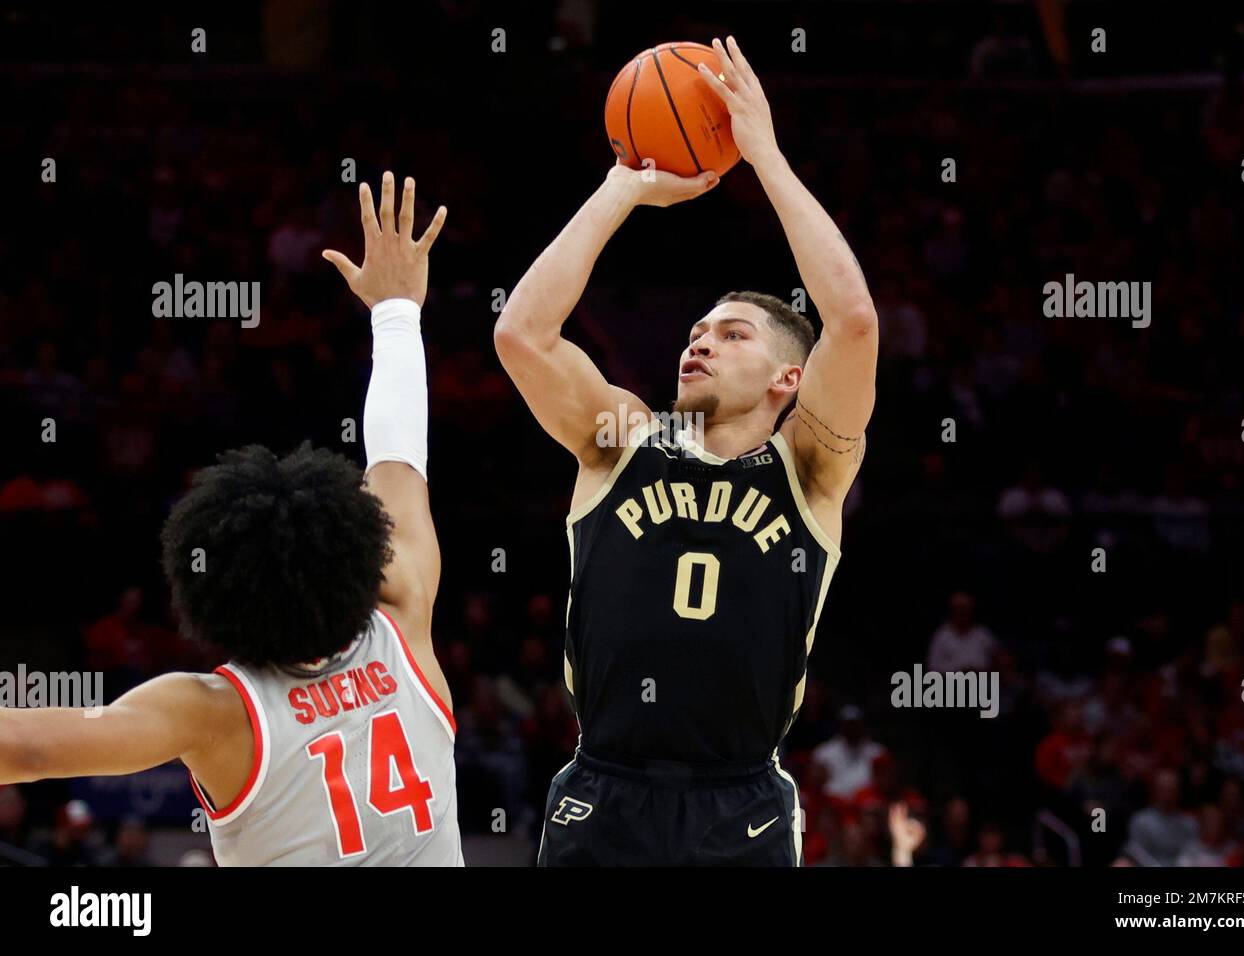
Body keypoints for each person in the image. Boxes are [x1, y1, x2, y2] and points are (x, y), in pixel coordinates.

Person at [0, 172, 462, 866]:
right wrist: (396, 311)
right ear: (359, 559)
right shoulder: (405, 610)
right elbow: (399, 456)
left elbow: (29, 747)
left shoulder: (215, 710)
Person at [495, 36, 878, 865]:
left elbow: (850, 322)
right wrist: (619, 190)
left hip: (738, 802)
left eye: (731, 335)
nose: (698, 344)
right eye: (696, 331)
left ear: (789, 376)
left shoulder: (809, 471)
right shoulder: (621, 442)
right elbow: (522, 335)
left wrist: (765, 156)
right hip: (603, 787)